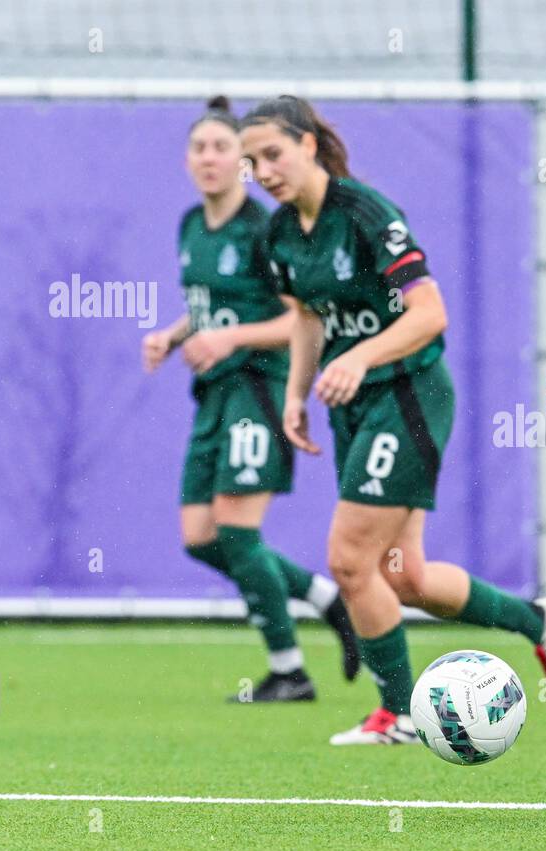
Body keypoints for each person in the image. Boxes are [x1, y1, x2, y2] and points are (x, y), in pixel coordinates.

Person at [238, 95, 546, 746]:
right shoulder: (279, 234)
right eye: (253, 161)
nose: (265, 170)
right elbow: (309, 316)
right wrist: (295, 394)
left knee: (348, 562)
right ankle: (542, 623)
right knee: (403, 576)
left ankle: (397, 714)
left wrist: (361, 356)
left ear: (309, 144)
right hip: (354, 403)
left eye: (273, 153)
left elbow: (429, 314)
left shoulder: (366, 213)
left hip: (410, 392)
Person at [142, 96, 359, 703]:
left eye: (223, 148)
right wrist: (175, 333)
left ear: (242, 162)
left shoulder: (265, 229)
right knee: (200, 536)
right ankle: (327, 600)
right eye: (199, 148)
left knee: (237, 533)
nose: (210, 159)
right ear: (187, 160)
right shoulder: (191, 224)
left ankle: (288, 670)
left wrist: (227, 337)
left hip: (258, 389)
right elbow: (211, 305)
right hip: (212, 394)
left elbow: (298, 320)